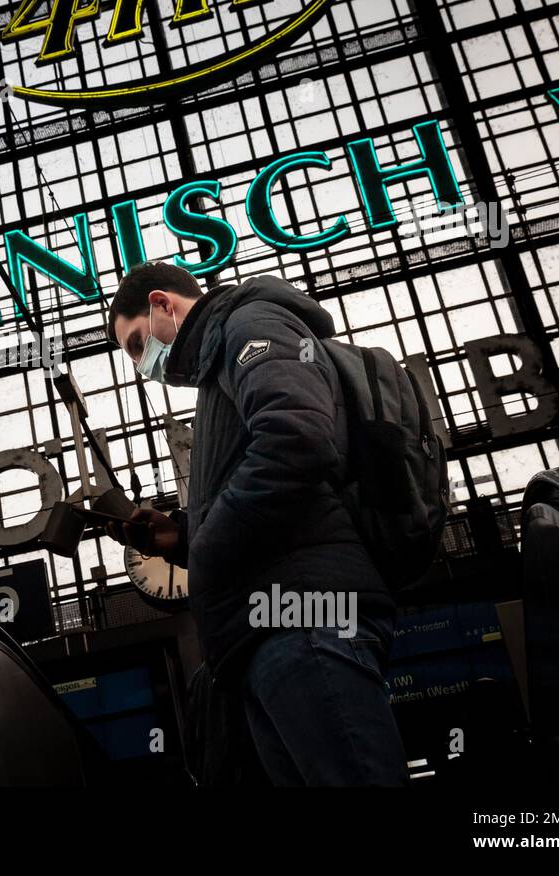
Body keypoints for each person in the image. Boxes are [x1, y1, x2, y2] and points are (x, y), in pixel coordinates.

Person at [105, 261, 408, 786]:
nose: (142, 364)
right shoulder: (223, 358)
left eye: (136, 344)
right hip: (273, 625)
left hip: (301, 619)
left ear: (162, 304)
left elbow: (295, 439)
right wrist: (181, 538)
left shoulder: (250, 325)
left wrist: (205, 551)